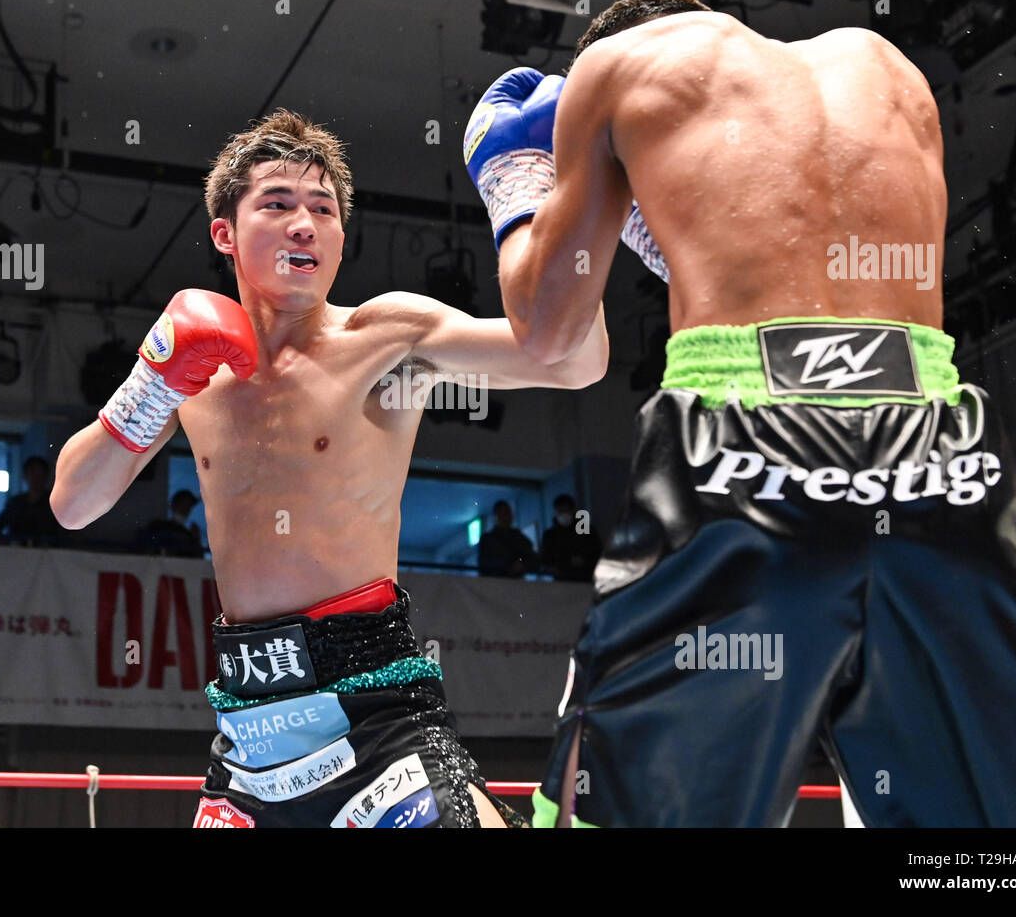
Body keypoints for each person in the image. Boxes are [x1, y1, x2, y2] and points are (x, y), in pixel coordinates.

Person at [465, 0, 1016, 826]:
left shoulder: (610, 72)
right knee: (994, 846)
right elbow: (816, 267)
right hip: (940, 441)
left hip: (742, 442)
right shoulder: (887, 69)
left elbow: (547, 328)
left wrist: (515, 186)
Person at [50, 109, 608, 828]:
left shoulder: (386, 340)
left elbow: (578, 361)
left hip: (377, 714)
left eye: (323, 209)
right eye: (277, 205)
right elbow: (72, 502)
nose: (304, 224)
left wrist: (523, 201)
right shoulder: (196, 370)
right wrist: (152, 384)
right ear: (225, 232)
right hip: (250, 738)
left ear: (342, 237)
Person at [0, 456, 62, 547]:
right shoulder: (16, 503)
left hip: (48, 552)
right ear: (26, 475)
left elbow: (66, 532)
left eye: (40, 473)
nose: (36, 478)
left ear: (46, 476)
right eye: (32, 473)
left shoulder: (55, 503)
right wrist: (6, 544)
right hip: (17, 551)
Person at [540, 494, 600, 582]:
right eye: (560, 511)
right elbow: (546, 559)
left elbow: (597, 552)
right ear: (556, 512)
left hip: (586, 578)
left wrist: (585, 561)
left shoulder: (586, 530)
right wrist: (566, 563)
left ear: (573, 511)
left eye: (566, 511)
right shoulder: (550, 535)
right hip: (562, 580)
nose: (564, 514)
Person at [476, 500, 537, 578]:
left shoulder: (519, 538)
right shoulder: (487, 539)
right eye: (502, 514)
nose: (506, 517)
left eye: (508, 513)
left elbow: (531, 558)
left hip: (517, 583)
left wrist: (522, 564)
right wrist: (508, 566)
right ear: (495, 516)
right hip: (495, 582)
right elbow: (484, 564)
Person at [137, 490, 205, 557]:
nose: (185, 510)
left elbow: (198, 558)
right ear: (173, 505)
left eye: (188, 507)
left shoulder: (190, 534)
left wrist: (195, 539)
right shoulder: (157, 526)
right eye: (182, 505)